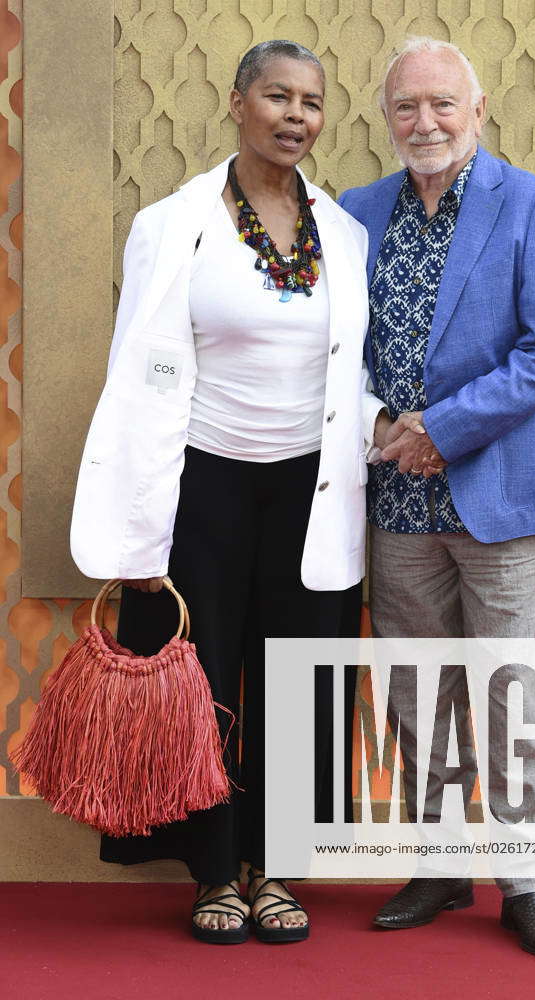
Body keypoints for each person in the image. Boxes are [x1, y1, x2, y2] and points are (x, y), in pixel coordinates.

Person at [70, 39, 384, 945]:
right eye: (277, 96)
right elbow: (136, 380)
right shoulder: (174, 224)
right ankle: (214, 871)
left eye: (312, 102)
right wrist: (134, 536)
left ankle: (275, 868)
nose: (296, 116)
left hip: (313, 490)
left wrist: (381, 425)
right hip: (201, 483)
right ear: (238, 103)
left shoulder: (344, 233)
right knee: (200, 681)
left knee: (300, 680)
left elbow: (343, 377)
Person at [340, 36, 535, 958]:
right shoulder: (355, 212)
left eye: (442, 104)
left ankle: (525, 880)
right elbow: (331, 351)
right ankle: (441, 864)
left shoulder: (531, 204)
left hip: (499, 501)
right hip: (395, 505)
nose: (424, 122)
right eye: (406, 107)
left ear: (476, 111)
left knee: (509, 693)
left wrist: (441, 429)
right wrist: (377, 425)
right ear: (385, 117)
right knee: (417, 693)